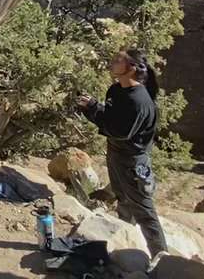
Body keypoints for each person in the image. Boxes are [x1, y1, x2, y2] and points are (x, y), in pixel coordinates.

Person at [76, 48, 167, 258]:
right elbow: (111, 116)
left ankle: (162, 257)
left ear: (131, 68)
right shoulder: (116, 90)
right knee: (122, 198)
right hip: (116, 153)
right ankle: (124, 241)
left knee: (144, 211)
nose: (113, 62)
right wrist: (94, 106)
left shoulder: (139, 101)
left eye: (118, 60)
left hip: (133, 162)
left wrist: (92, 109)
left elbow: (120, 131)